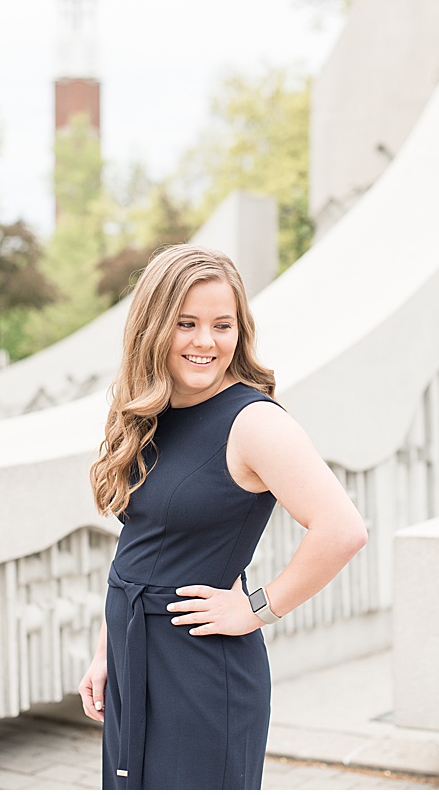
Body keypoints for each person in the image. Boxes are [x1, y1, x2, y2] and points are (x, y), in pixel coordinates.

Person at [77, 244, 368, 789]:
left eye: (222, 324)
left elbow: (343, 530)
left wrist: (256, 609)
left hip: (201, 671)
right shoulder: (150, 413)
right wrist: (106, 653)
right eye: (186, 323)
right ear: (152, 327)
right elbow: (138, 547)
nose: (205, 342)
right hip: (135, 658)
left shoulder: (253, 422)